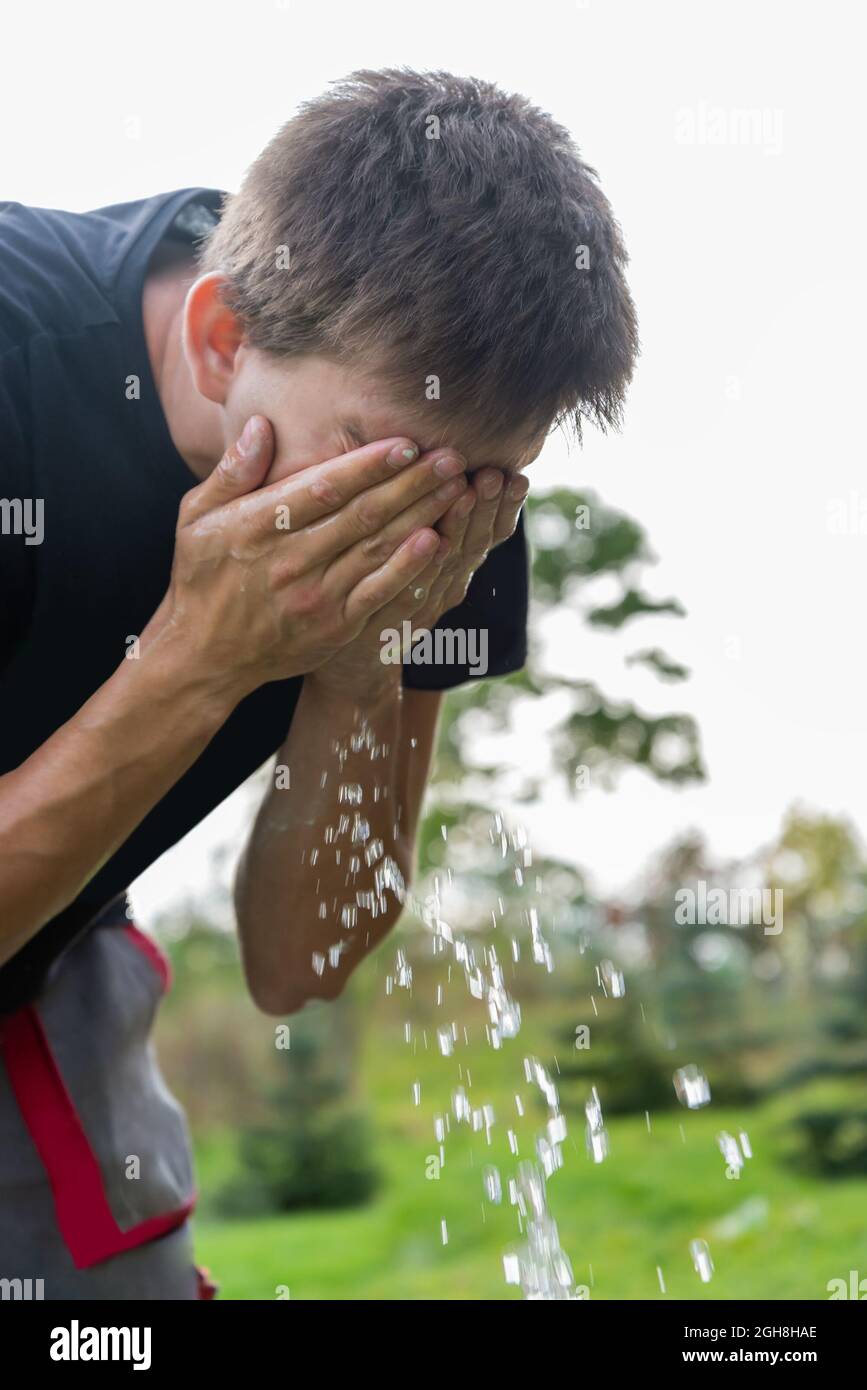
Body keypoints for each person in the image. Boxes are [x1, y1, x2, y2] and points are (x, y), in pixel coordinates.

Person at [0, 68, 637, 1298]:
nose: (406, 529)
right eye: (374, 465)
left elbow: (302, 962)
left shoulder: (457, 501)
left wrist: (359, 676)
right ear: (224, 336)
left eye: (473, 485)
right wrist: (195, 660)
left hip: (50, 969)